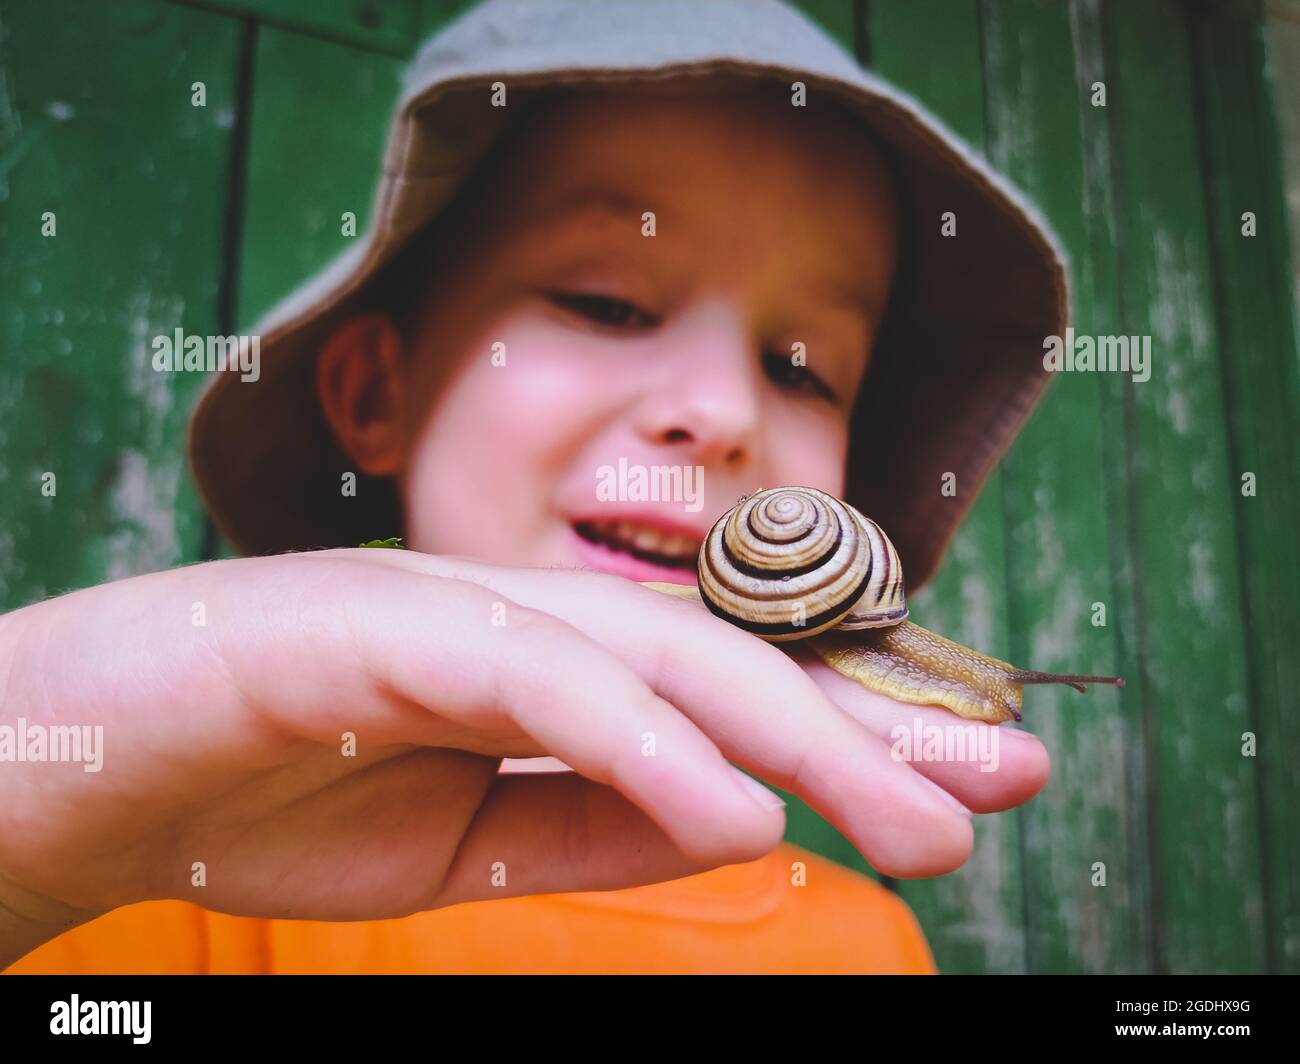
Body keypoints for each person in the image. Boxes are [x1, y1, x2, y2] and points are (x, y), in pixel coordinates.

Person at [1, 0, 1065, 974]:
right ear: (378, 392)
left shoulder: (864, 942)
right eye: (606, 304)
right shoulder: (166, 882)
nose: (724, 408)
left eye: (799, 367)